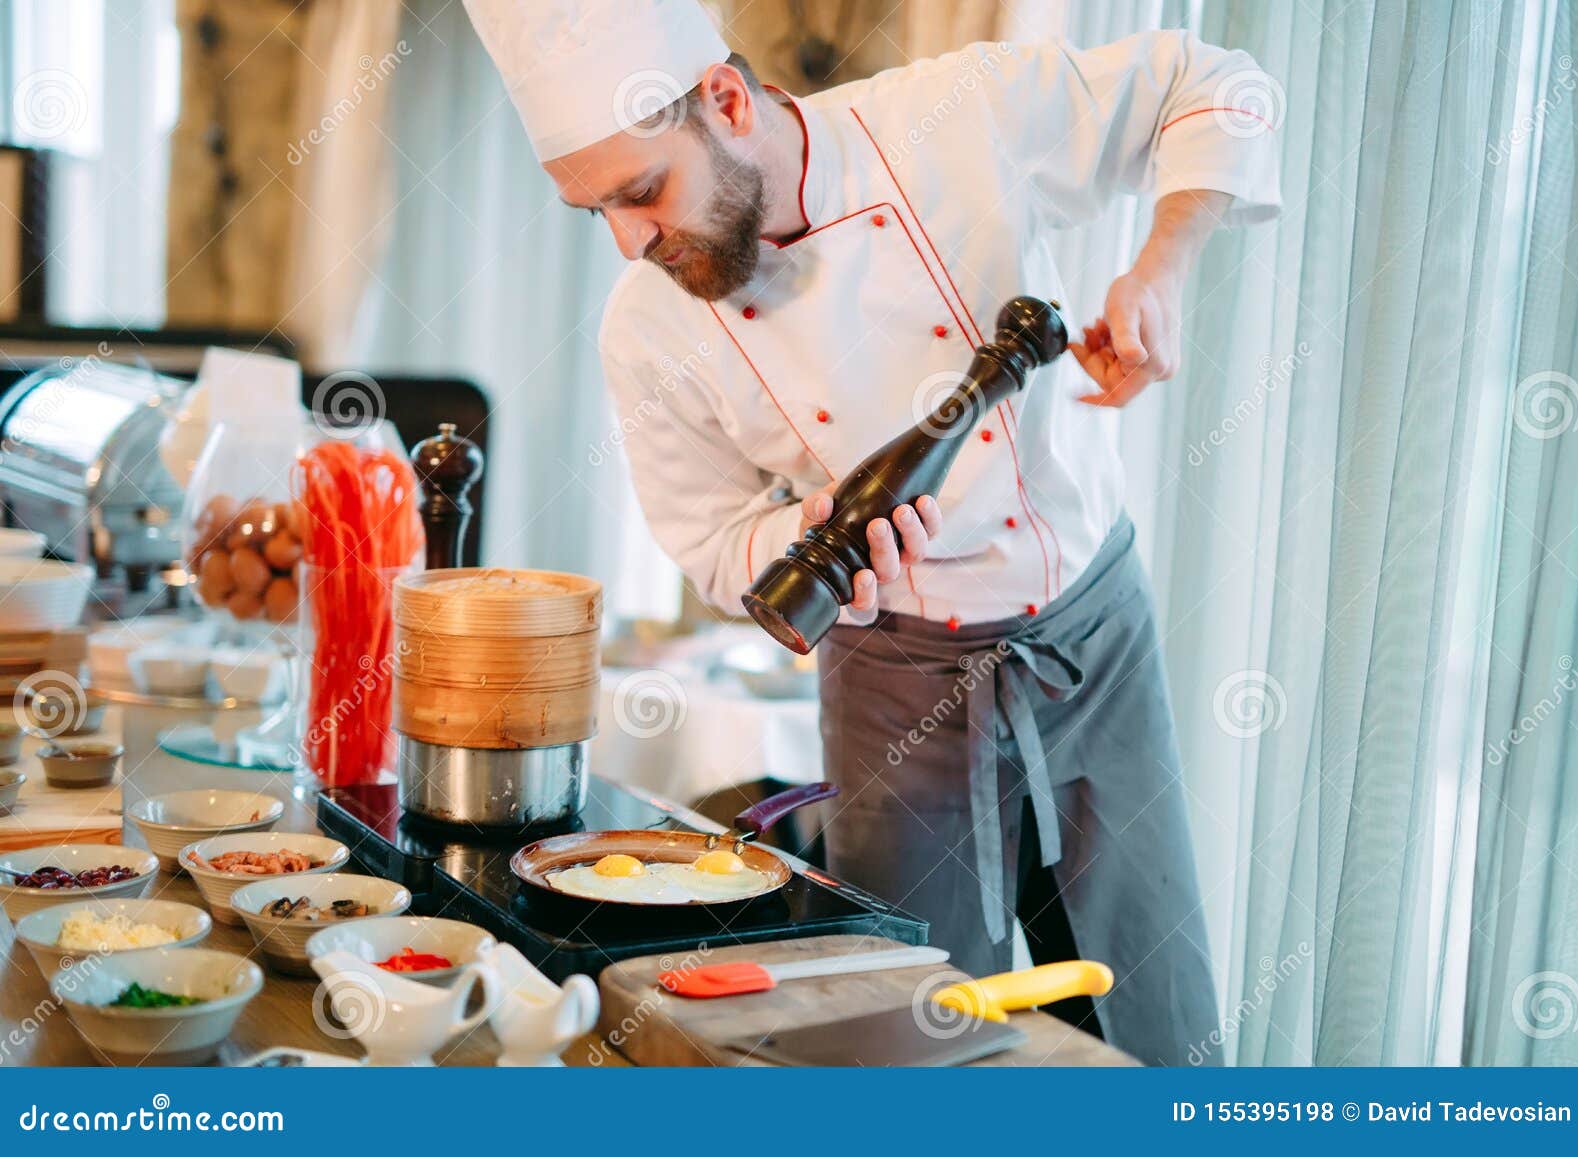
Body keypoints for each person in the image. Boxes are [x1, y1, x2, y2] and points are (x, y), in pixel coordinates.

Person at [464, 0, 1281, 1065]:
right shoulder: (647, 326)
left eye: (643, 191)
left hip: (1092, 635)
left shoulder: (954, 115)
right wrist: (807, 541)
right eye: (597, 214)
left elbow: (1216, 84)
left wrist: (1162, 263)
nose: (630, 242)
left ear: (724, 100)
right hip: (890, 670)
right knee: (912, 1020)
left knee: (1152, 998)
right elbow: (712, 538)